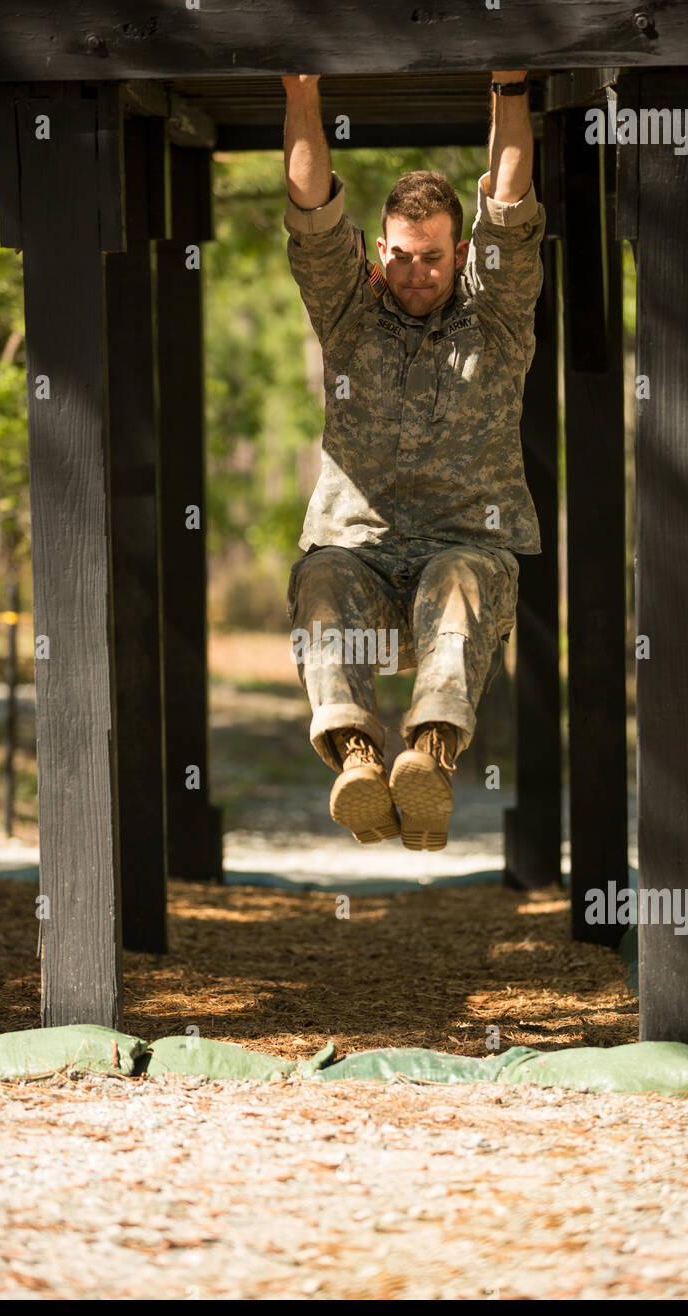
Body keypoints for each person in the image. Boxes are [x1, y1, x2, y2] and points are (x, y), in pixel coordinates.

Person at [281, 72, 546, 851]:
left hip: (463, 549)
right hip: (361, 556)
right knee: (321, 576)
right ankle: (358, 762)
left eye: (431, 258)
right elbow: (312, 214)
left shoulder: (495, 311)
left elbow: (508, 202)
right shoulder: (348, 312)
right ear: (380, 254)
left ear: (457, 253)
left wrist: (510, 85)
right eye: (399, 256)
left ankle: (428, 760)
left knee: (458, 581)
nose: (414, 273)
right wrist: (300, 85)